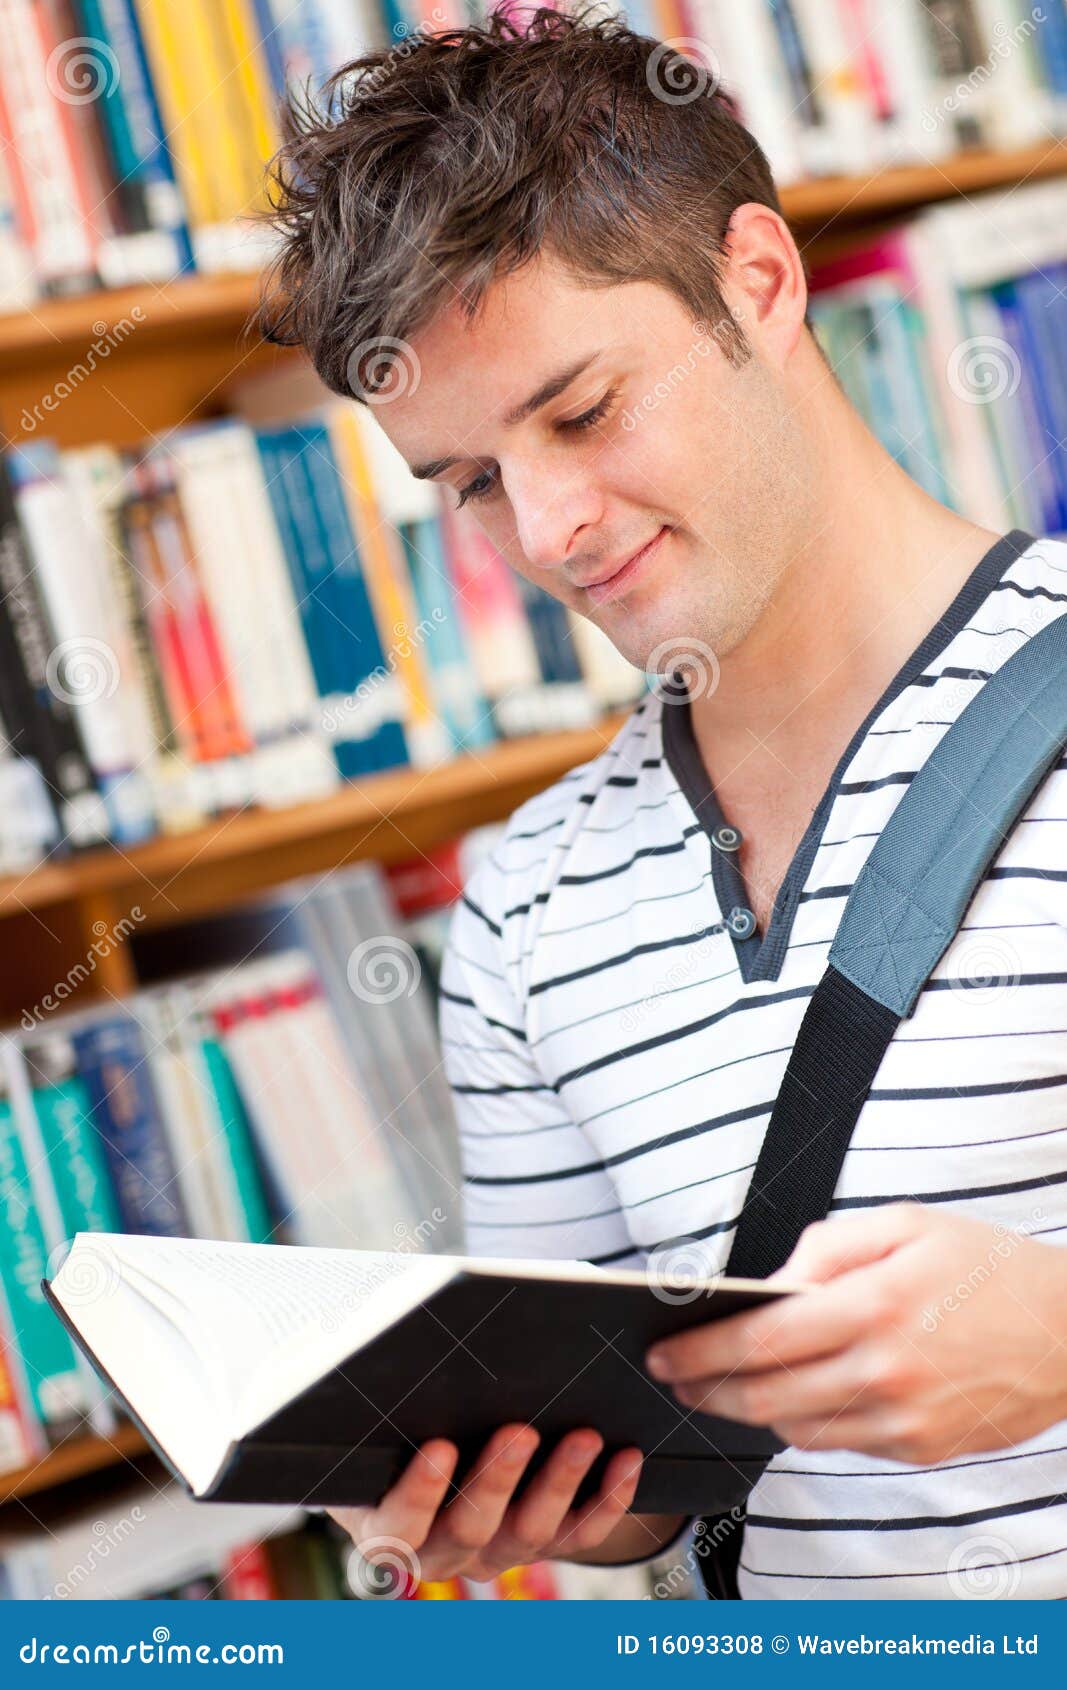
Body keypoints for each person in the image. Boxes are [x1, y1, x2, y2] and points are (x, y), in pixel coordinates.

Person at [259, 8, 1067, 1598]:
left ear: (759, 285)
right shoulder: (528, 904)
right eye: (472, 481)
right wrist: (497, 1478)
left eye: (581, 410)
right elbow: (639, 1472)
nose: (548, 527)